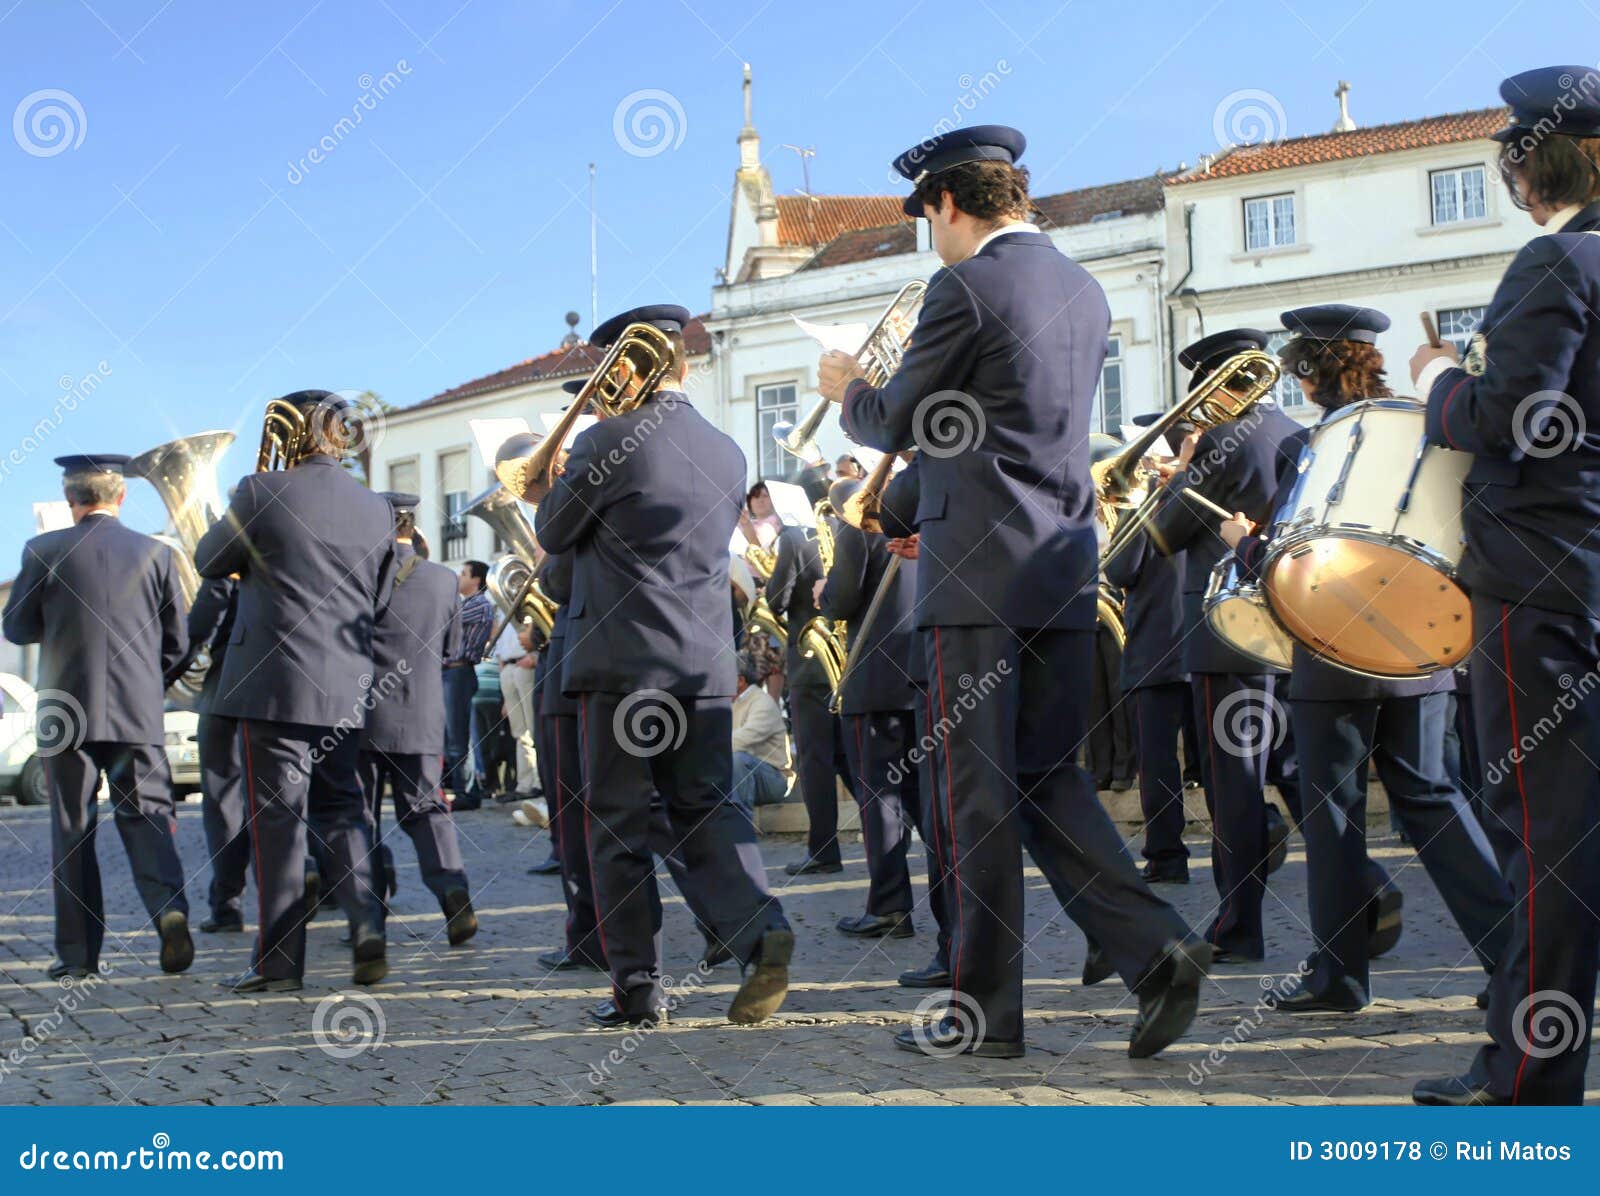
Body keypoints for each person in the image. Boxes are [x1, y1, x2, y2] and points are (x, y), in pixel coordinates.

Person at [819, 126, 1207, 1059]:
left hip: (977, 582)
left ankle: (981, 1015)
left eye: (928, 218)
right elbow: (1000, 427)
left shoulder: (964, 285)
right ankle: (1156, 952)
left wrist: (850, 388)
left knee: (975, 800)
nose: (932, 237)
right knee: (1045, 779)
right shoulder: (1083, 287)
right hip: (1060, 567)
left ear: (948, 203)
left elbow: (896, 418)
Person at [1221, 304, 1510, 1016]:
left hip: (1335, 647)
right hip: (1419, 643)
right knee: (1434, 800)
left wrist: (1241, 543)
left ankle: (1341, 977)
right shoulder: (1429, 427)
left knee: (1333, 813)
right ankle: (1516, 960)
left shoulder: (1312, 445)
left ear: (1311, 375)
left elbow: (1290, 557)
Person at [1409, 65, 1600, 1106]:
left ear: (1532, 169)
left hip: (1543, 579)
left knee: (1547, 834)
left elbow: (1503, 421)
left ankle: (1529, 1075)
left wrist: (1440, 380)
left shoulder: (1556, 259)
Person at [533, 303, 794, 1027]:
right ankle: (762, 929)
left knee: (618, 827)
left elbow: (553, 530)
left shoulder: (606, 440)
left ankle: (638, 989)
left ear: (626, 367)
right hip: (701, 664)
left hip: (621, 667)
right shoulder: (726, 450)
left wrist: (553, 480)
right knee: (704, 809)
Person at [195, 391, 394, 992]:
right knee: (343, 808)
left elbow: (209, 559)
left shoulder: (260, 490)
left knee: (278, 822)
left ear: (292, 434)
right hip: (347, 682)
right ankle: (366, 920)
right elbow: (381, 598)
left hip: (274, 684)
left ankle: (279, 964)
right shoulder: (376, 506)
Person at [1139, 329, 1304, 963]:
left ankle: (1239, 926)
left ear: (1218, 384)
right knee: (1292, 768)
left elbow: (1163, 535)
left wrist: (1179, 474)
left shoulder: (1219, 440)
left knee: (1232, 783)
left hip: (1228, 628)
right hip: (1289, 622)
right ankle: (1365, 891)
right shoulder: (1293, 431)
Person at [2, 453, 193, 979]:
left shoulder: (43, 549)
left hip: (66, 712)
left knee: (73, 827)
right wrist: (147, 685)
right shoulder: (157, 553)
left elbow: (15, 628)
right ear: (121, 495)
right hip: (136, 710)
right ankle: (169, 910)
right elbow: (178, 642)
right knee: (147, 814)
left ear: (70, 498)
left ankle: (79, 956)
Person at [359, 492, 477, 946]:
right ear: (413, 527)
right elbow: (452, 649)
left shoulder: (357, 574)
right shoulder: (444, 579)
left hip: (362, 717)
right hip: (422, 714)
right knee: (427, 809)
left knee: (361, 817)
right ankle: (453, 890)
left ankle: (370, 914)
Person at [818, 475, 919, 939]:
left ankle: (889, 906)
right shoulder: (920, 523)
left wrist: (822, 592)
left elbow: (841, 601)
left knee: (879, 795)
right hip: (918, 674)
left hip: (873, 677)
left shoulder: (856, 527)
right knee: (920, 794)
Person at [766, 516, 852, 875]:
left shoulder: (793, 538)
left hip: (810, 663)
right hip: (846, 660)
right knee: (847, 755)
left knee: (815, 761)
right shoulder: (847, 528)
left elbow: (777, 600)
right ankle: (896, 822)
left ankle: (824, 850)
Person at [171, 575, 252, 932]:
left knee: (224, 801)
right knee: (289, 792)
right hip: (290, 689)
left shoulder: (231, 560)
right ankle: (310, 871)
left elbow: (201, 624)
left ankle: (228, 903)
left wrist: (167, 672)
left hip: (227, 688)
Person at [444, 559, 493, 809]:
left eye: (463, 574)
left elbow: (444, 621)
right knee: (450, 735)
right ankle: (459, 789)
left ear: (476, 580)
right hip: (450, 673)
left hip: (459, 672)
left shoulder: (480, 604)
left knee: (459, 737)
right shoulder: (465, 604)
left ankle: (467, 792)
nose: (459, 577)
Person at [731, 655, 790, 811]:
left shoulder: (763, 702)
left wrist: (709, 747)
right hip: (748, 773)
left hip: (772, 780)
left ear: (740, 681)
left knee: (737, 760)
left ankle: (741, 823)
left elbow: (743, 740)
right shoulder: (730, 702)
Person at [498, 619, 541, 802]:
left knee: (534, 727)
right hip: (508, 666)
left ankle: (539, 782)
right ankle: (524, 784)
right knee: (519, 733)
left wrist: (535, 656)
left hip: (526, 662)